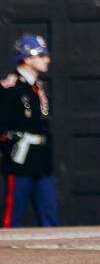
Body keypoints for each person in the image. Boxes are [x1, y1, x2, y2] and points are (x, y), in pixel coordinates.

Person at [0, 34, 59, 228]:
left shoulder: (38, 87)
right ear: (27, 58)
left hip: (41, 161)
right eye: (41, 55)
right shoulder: (10, 88)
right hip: (19, 161)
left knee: (50, 217)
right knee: (13, 217)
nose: (47, 59)